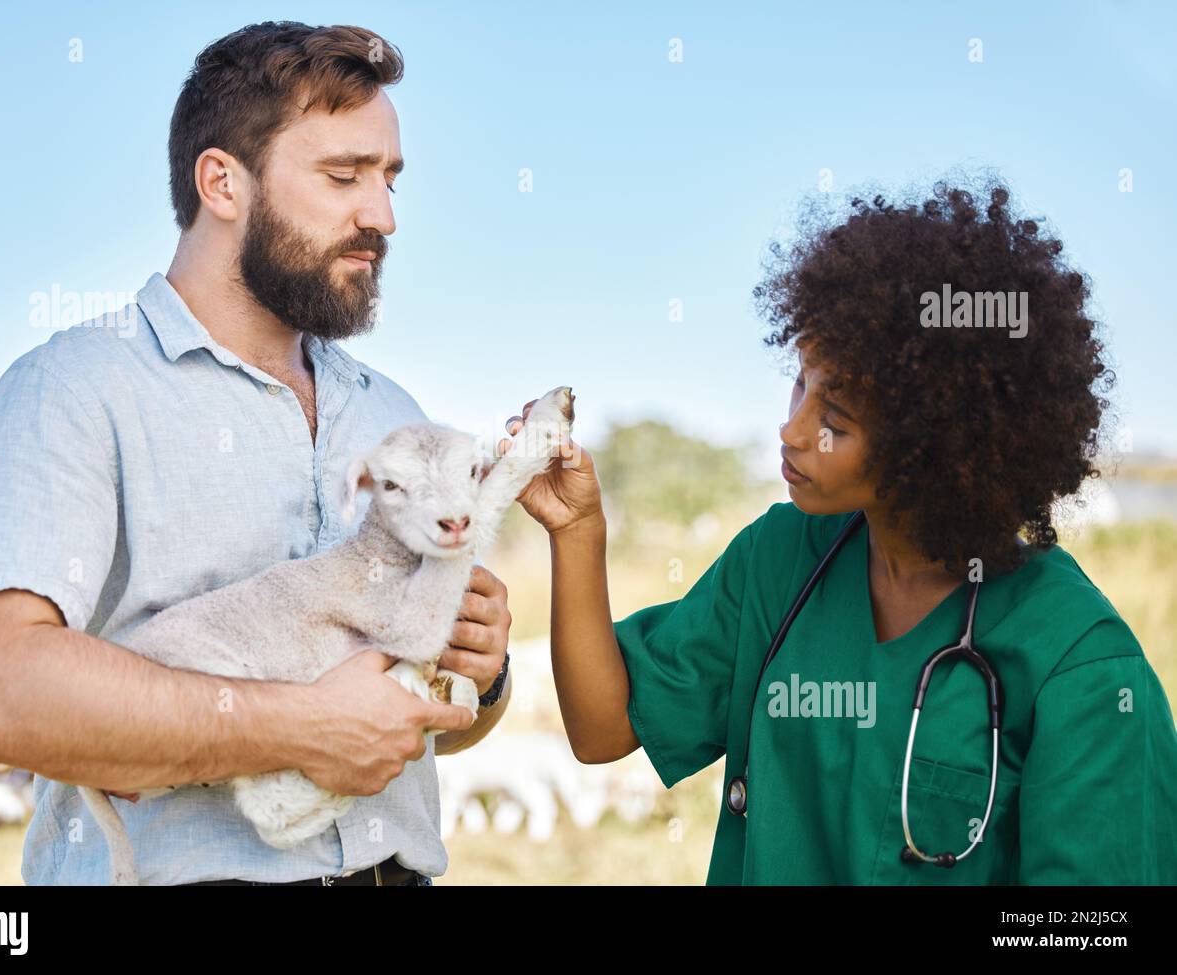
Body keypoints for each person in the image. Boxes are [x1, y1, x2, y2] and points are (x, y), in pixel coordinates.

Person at [0, 22, 514, 886]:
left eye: (388, 179)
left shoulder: (394, 416)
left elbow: (440, 718)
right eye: (343, 176)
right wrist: (301, 727)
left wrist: (481, 673)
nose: (381, 215)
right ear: (221, 183)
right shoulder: (71, 393)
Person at [504, 178, 1177, 884]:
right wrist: (577, 531)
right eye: (801, 383)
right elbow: (601, 728)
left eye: (837, 421)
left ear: (935, 448)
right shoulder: (777, 560)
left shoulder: (1084, 667)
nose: (791, 431)